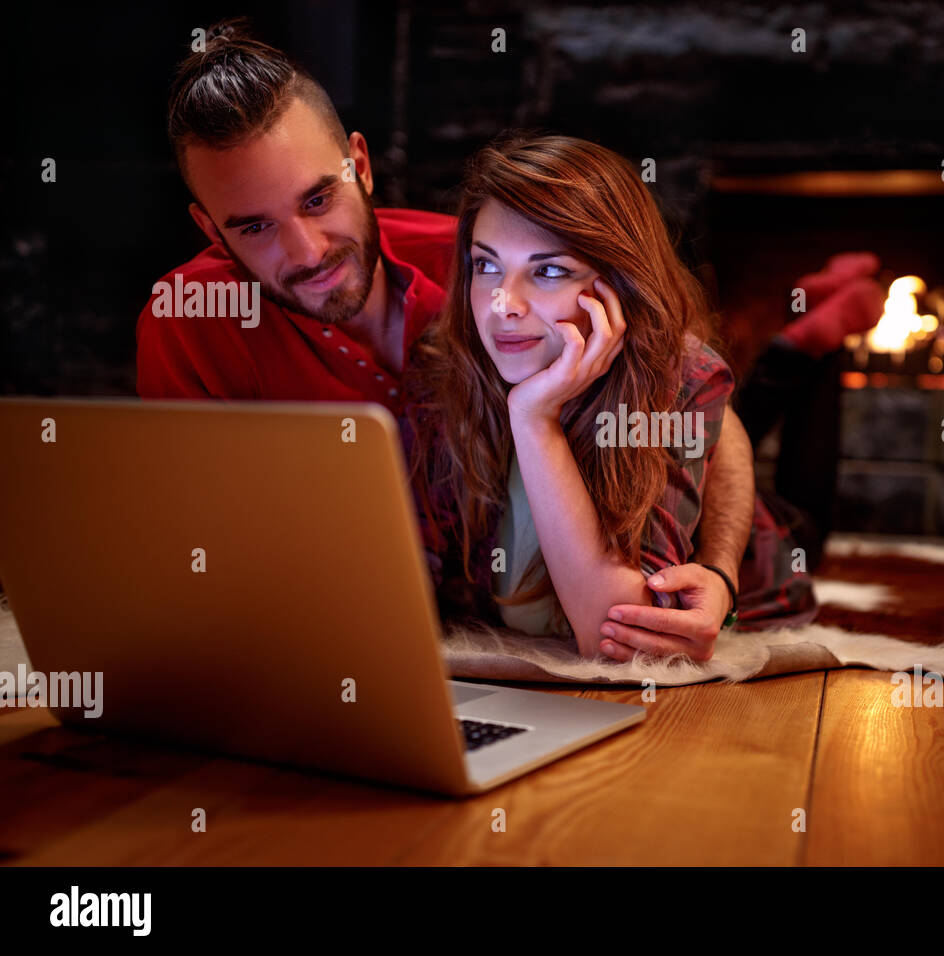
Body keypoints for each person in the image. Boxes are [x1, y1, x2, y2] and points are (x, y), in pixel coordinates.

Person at [135, 19, 754, 659]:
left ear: (360, 165)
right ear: (210, 228)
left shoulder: (477, 257)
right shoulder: (189, 318)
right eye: (255, 227)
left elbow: (687, 381)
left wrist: (719, 569)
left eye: (318, 200)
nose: (308, 251)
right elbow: (201, 550)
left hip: (655, 542)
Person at [403, 134, 820, 662]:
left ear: (618, 284)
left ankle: (810, 349)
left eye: (548, 270)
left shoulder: (680, 375)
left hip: (770, 558)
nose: (503, 304)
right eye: (486, 265)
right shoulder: (442, 367)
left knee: (806, 510)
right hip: (707, 442)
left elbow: (618, 638)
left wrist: (533, 418)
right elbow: (408, 582)